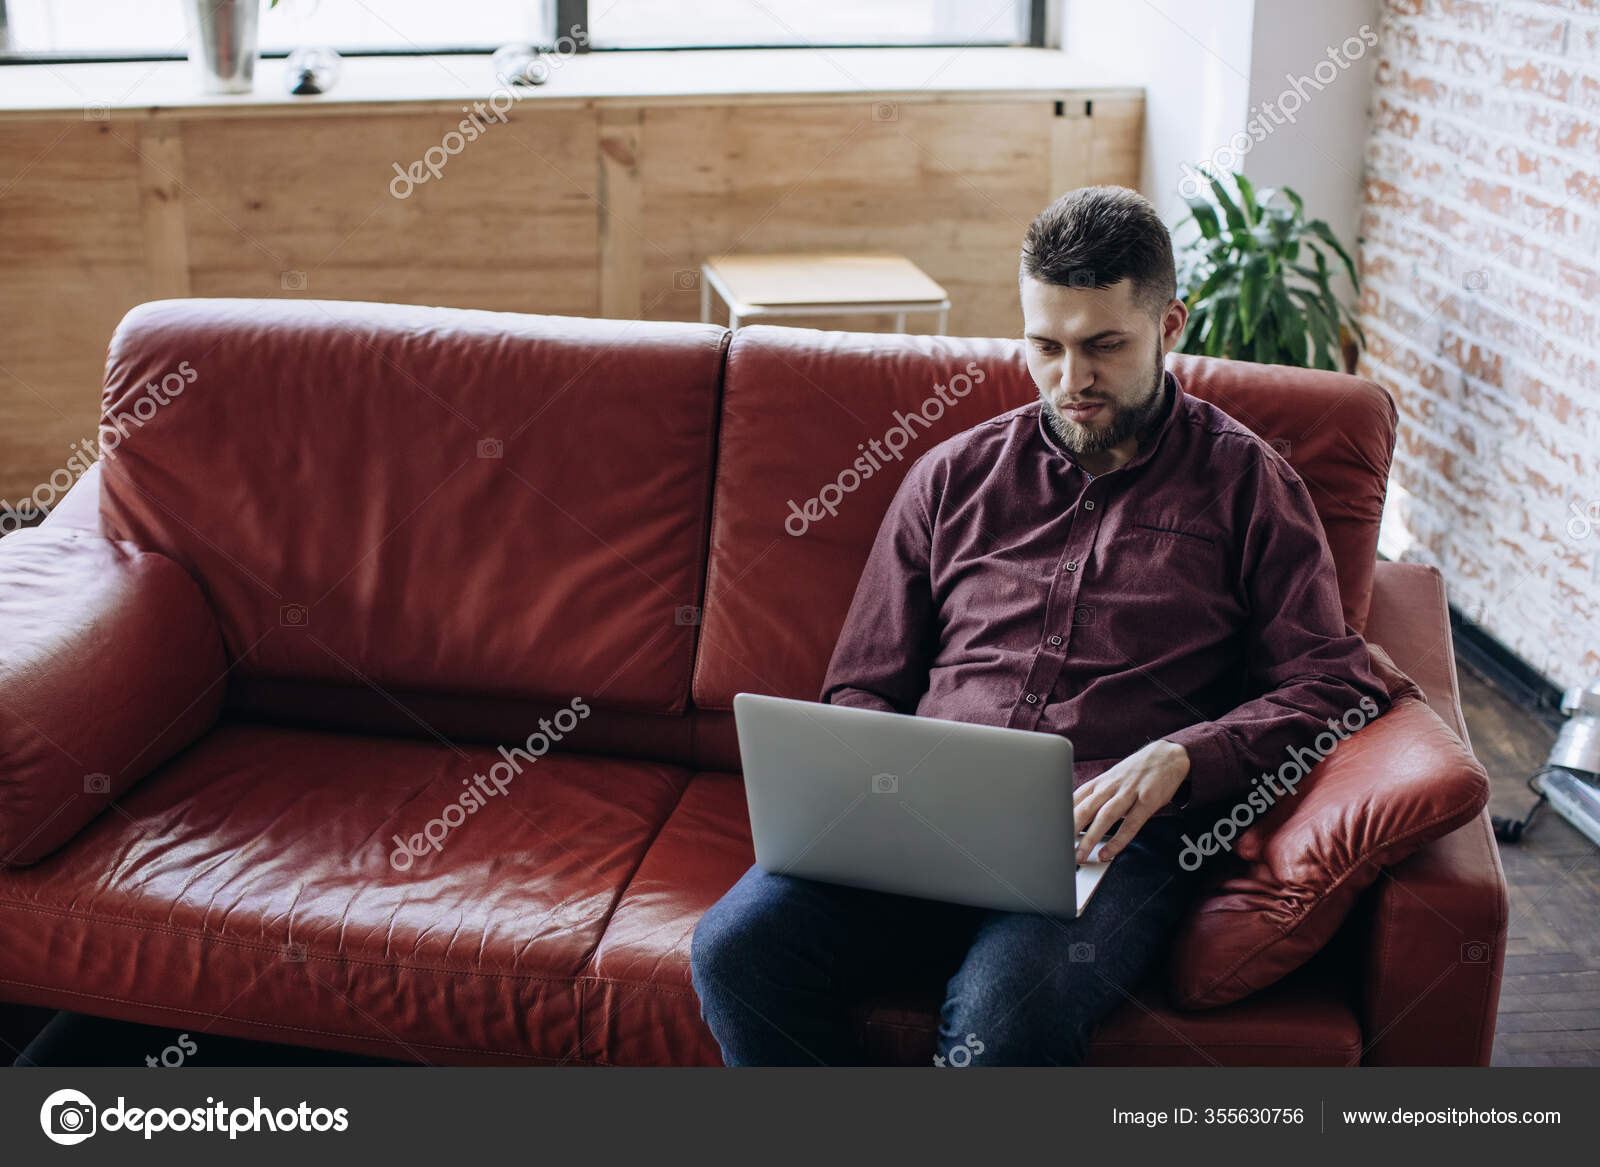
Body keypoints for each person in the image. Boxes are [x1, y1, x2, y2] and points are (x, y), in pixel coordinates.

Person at [690, 184, 1392, 1066]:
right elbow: (864, 682)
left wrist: (1187, 757)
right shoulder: (952, 477)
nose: (1072, 379)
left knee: (1004, 1014)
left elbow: (1331, 683)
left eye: (1104, 346)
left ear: (1171, 324)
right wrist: (861, 792)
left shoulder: (1248, 485)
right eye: (1045, 346)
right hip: (918, 823)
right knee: (735, 953)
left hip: (1108, 845)